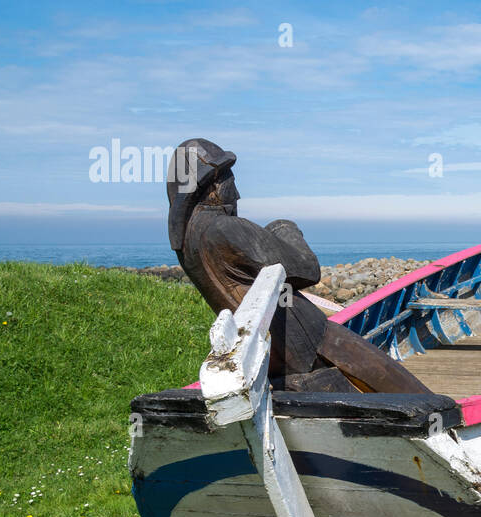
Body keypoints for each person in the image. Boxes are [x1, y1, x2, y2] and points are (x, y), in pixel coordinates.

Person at [166, 139, 430, 394]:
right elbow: (307, 268)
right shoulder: (225, 229)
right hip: (314, 343)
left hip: (278, 354)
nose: (237, 194)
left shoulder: (190, 242)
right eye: (230, 183)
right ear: (212, 185)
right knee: (414, 394)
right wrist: (285, 229)